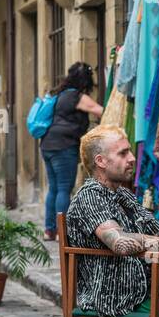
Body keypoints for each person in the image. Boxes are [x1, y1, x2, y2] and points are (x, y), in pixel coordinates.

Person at [64, 125, 159, 317]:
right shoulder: (89, 197)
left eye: (130, 151)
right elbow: (120, 243)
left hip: (145, 287)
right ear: (101, 161)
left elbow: (158, 228)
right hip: (115, 297)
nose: (132, 158)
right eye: (123, 153)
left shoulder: (122, 194)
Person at [40, 62, 104, 241]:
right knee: (63, 188)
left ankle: (49, 230)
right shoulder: (77, 97)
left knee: (53, 188)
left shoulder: (60, 95)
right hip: (63, 146)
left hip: (47, 145)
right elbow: (101, 111)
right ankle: (62, 232)